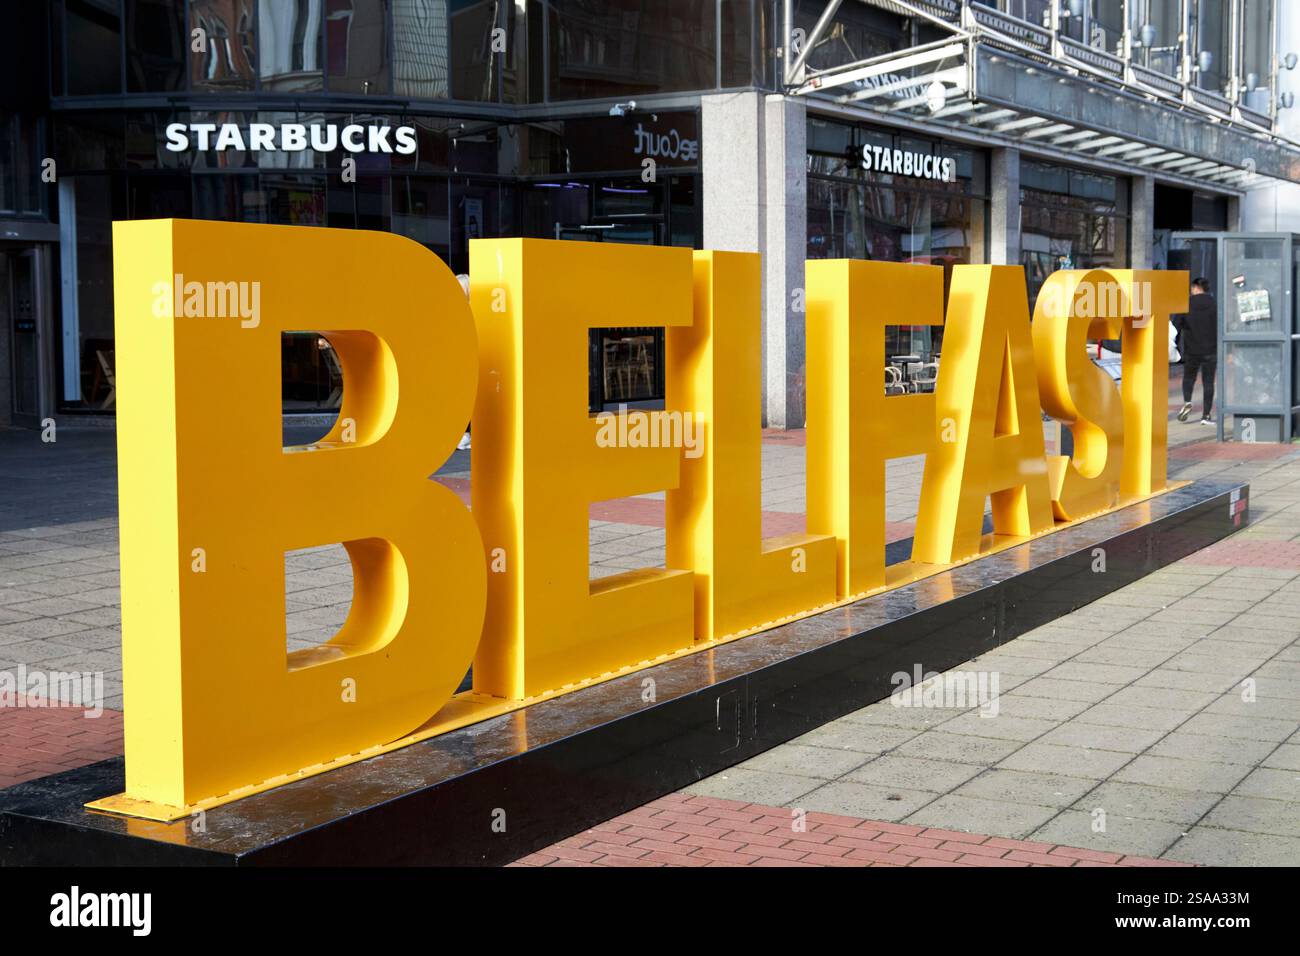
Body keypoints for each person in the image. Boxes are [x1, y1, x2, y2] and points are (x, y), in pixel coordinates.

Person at [1174, 277, 1217, 425]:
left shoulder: (1186, 303)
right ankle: (1206, 415)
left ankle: (1187, 401)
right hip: (1211, 350)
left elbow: (1176, 327)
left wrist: (1176, 347)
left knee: (1189, 378)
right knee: (1208, 381)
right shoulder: (1214, 303)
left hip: (1192, 350)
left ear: (1195, 288)